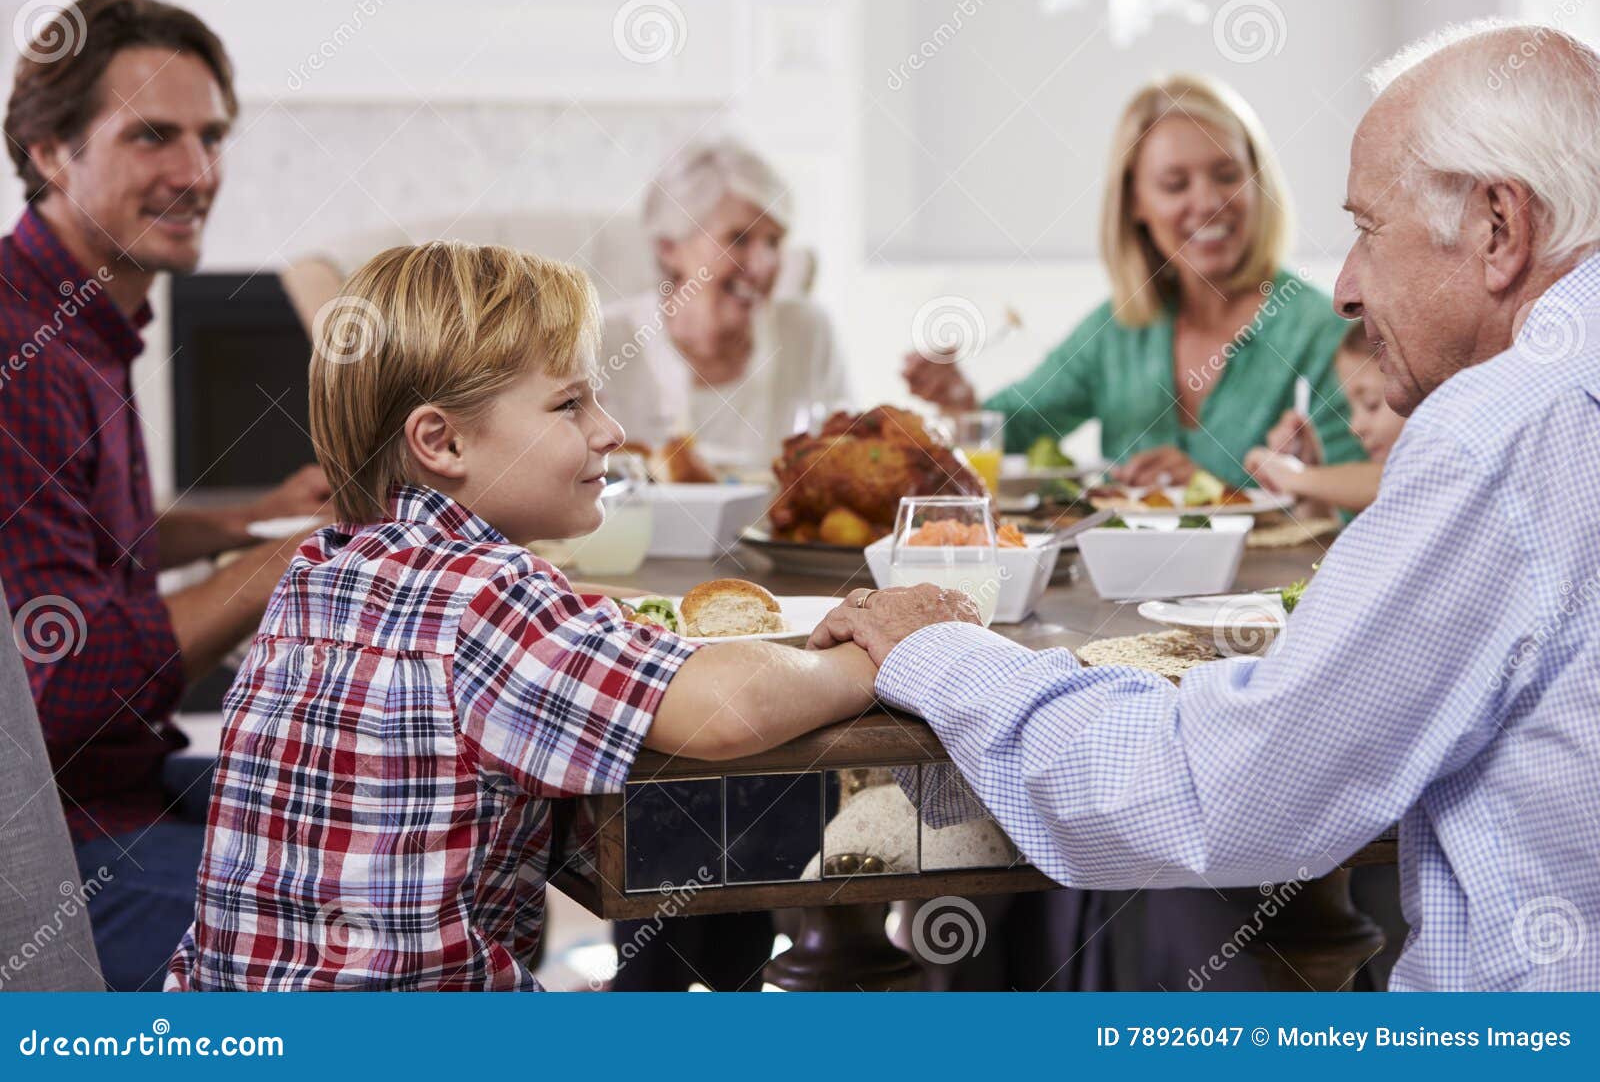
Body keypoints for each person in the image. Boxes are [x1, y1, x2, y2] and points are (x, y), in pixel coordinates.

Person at [814, 19, 1600, 991]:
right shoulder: (1127, 326)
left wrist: (940, 649)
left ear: (1496, 226)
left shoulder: (1496, 431)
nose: (1346, 285)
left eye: (1365, 229)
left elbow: (1221, 792)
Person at [164, 241, 877, 990]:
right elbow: (729, 711)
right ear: (443, 440)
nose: (609, 430)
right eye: (571, 403)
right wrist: (874, 653)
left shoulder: (316, 570)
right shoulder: (487, 594)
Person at [0, 0, 331, 991]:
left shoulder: (77, 320)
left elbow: (74, 540)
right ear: (53, 150)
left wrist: (244, 519)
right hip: (58, 846)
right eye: (153, 136)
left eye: (211, 136)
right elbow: (61, 681)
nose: (198, 173)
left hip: (118, 789)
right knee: (380, 916)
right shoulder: (23, 349)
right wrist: (304, 553)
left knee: (441, 829)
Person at [903, 74, 1361, 487]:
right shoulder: (1120, 329)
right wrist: (962, 406)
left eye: (1227, 176)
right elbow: (1017, 430)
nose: (1208, 202)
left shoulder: (1322, 331)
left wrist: (1217, 496)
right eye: (1174, 184)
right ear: (1134, 203)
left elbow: (1364, 496)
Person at [595, 137, 851, 470]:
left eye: (774, 241)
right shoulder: (600, 342)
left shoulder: (806, 331)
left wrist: (943, 405)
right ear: (669, 247)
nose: (763, 265)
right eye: (739, 239)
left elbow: (849, 461)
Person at [1245, 322, 1406, 513]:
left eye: (1371, 404)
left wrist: (1296, 477)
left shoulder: (1421, 471)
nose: (1355, 427)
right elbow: (1321, 534)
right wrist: (1309, 474)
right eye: (1350, 409)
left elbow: (1393, 479)